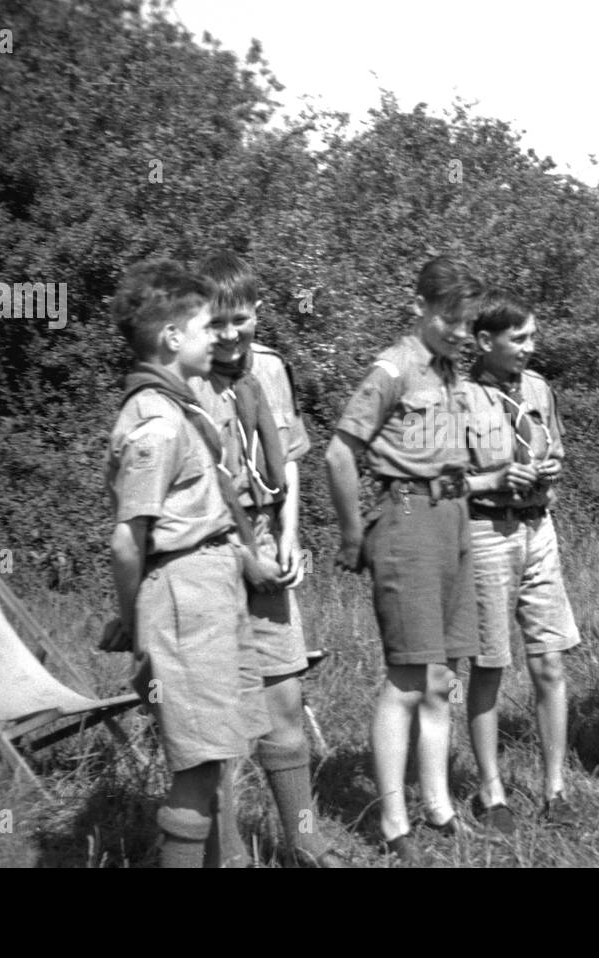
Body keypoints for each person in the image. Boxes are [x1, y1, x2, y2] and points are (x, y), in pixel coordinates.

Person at [105, 259, 270, 867]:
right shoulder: (155, 421)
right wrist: (137, 626)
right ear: (172, 337)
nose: (218, 338)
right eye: (205, 326)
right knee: (197, 767)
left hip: (212, 581)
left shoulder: (179, 406)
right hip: (184, 594)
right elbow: (128, 540)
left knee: (218, 749)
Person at [325, 255, 485, 865]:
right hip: (406, 522)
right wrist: (349, 537)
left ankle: (438, 806)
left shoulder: (448, 371)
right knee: (406, 680)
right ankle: (394, 821)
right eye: (450, 319)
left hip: (453, 521)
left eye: (468, 323)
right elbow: (339, 455)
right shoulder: (391, 369)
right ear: (418, 306)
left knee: (442, 678)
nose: (460, 332)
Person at [189, 251, 344, 867]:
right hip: (208, 556)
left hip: (268, 552)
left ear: (258, 312)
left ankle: (304, 841)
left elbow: (292, 459)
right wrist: (242, 555)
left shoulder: (275, 370)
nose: (231, 335)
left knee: (284, 698)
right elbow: (192, 493)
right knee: (220, 720)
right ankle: (227, 858)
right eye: (217, 322)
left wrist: (289, 533)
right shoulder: (188, 384)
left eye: (241, 319)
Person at [461, 292, 584, 833]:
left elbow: (554, 445)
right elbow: (437, 480)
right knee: (490, 664)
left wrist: (551, 466)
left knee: (550, 660)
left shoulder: (537, 389)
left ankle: (555, 789)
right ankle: (492, 795)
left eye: (534, 338)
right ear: (485, 342)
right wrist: (492, 479)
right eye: (519, 340)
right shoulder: (456, 396)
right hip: (486, 533)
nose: (530, 349)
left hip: (539, 529)